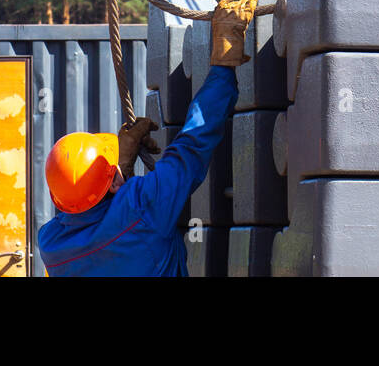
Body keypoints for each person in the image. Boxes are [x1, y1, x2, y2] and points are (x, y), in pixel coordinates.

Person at [37, 17, 243, 276]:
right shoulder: (144, 205)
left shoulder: (50, 243)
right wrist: (224, 63)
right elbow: (191, 147)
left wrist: (119, 171)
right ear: (112, 184)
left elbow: (109, 230)